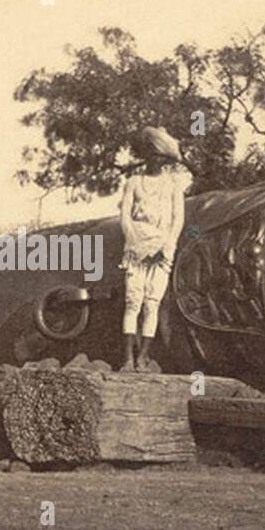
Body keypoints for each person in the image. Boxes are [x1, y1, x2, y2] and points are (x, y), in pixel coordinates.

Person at [118, 127, 191, 372]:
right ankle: (128, 358)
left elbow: (177, 220)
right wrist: (135, 243)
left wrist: (166, 246)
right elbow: (125, 217)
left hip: (161, 247)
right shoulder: (134, 182)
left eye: (161, 156)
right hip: (137, 245)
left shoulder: (172, 186)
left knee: (152, 303)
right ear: (147, 155)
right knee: (132, 302)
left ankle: (143, 357)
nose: (157, 160)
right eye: (153, 154)